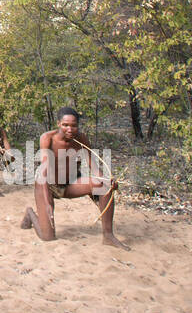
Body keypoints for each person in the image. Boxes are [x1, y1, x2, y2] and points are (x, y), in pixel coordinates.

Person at [20, 106, 128, 249]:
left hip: (70, 183)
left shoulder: (81, 139)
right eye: (65, 125)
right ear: (58, 123)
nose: (70, 129)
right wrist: (47, 204)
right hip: (47, 185)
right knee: (48, 237)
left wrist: (108, 181)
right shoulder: (47, 138)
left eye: (74, 125)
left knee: (104, 186)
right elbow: (44, 170)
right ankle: (31, 214)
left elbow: (94, 168)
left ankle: (108, 236)